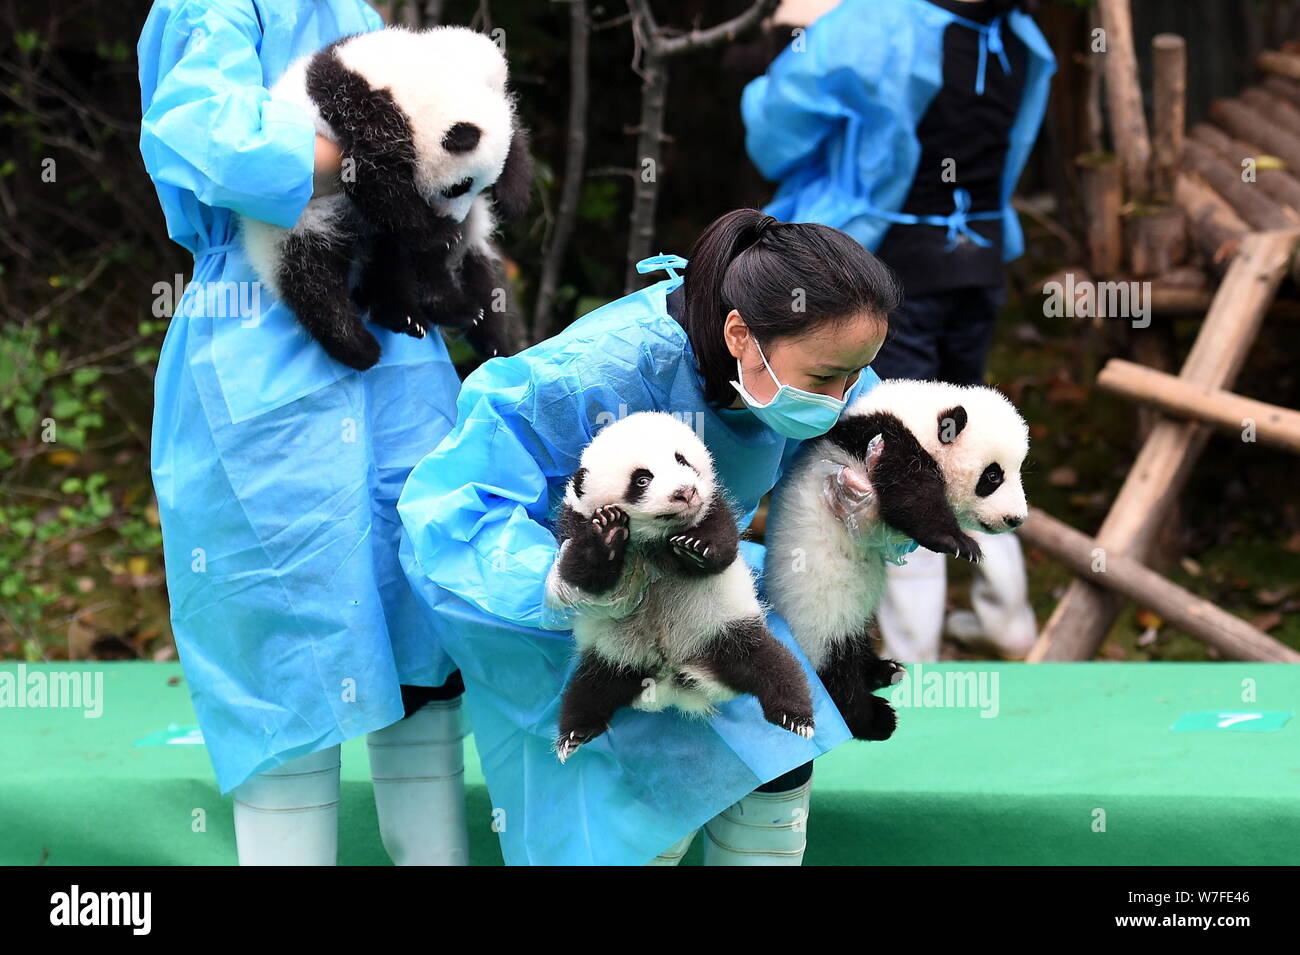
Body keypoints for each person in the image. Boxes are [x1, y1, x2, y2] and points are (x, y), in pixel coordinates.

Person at [398, 208, 902, 865]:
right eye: (826, 379)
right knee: (638, 813)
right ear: (740, 336)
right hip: (544, 612)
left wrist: (877, 512)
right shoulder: (595, 374)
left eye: (855, 373)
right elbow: (452, 506)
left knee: (781, 750)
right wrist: (563, 581)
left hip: (697, 582)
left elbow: (868, 455)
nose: (845, 396)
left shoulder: (823, 355)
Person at [138, 0, 469, 865]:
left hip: (394, 339)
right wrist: (370, 164)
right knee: (282, 633)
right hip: (262, 329)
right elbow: (197, 129)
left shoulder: (351, 8)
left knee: (423, 613)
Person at [742, 0, 1055, 661]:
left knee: (899, 449)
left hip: (887, 273)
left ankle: (916, 648)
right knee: (970, 435)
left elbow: (772, 134)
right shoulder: (1023, 38)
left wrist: (793, 48)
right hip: (980, 260)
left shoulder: (875, 23)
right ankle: (1008, 618)